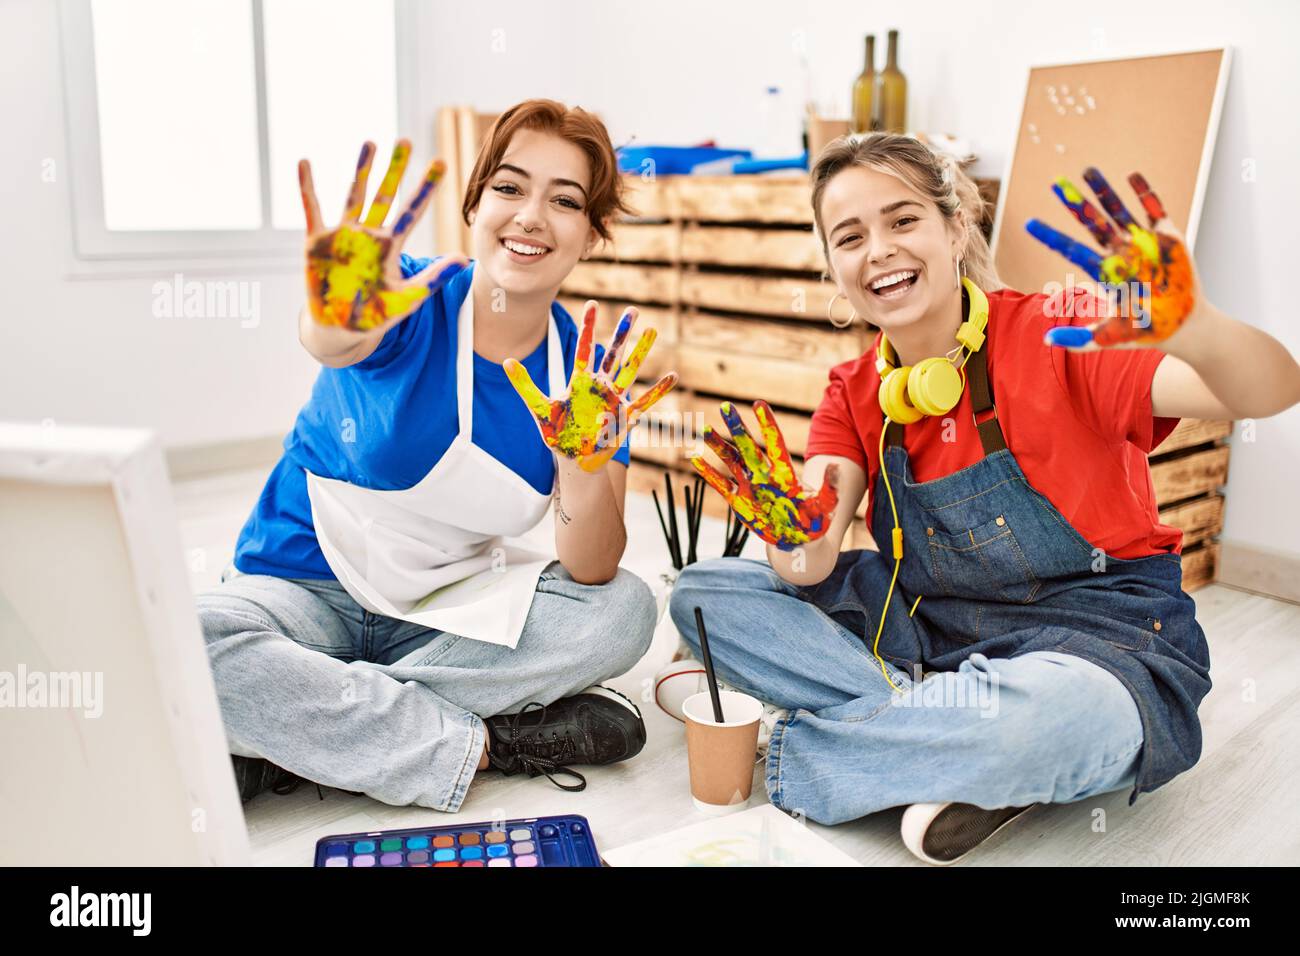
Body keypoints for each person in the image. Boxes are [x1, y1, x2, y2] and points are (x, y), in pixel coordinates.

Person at [662, 132, 1300, 864]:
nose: (879, 250)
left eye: (902, 221)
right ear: (833, 266)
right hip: (923, 631)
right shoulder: (854, 390)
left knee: (1052, 725)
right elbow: (806, 566)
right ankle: (948, 746)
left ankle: (804, 741)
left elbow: (1273, 388)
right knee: (705, 593)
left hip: (1092, 642)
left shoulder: (1057, 337)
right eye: (850, 236)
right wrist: (787, 529)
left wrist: (1200, 329)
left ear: (955, 226)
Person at [198, 99, 677, 812]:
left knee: (626, 611)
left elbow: (592, 568)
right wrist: (332, 319)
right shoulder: (406, 296)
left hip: (445, 612)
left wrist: (579, 461)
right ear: (475, 204)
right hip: (301, 590)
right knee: (195, 643)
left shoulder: (586, 377)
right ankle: (484, 742)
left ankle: (299, 732)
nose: (531, 216)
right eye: (509, 188)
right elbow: (335, 339)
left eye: (565, 200)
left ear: (591, 234)